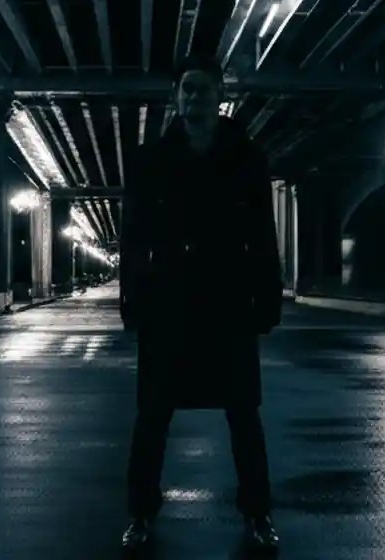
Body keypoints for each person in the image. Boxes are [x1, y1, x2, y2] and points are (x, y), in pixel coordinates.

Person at [118, 56, 283, 554]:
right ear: (176, 97)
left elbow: (263, 234)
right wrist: (132, 300)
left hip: (228, 301)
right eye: (186, 90)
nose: (194, 98)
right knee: (152, 416)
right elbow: (133, 238)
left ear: (219, 98)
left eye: (203, 91)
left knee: (243, 414)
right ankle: (140, 513)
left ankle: (258, 513)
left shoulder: (248, 158)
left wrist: (267, 298)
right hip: (168, 303)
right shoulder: (149, 161)